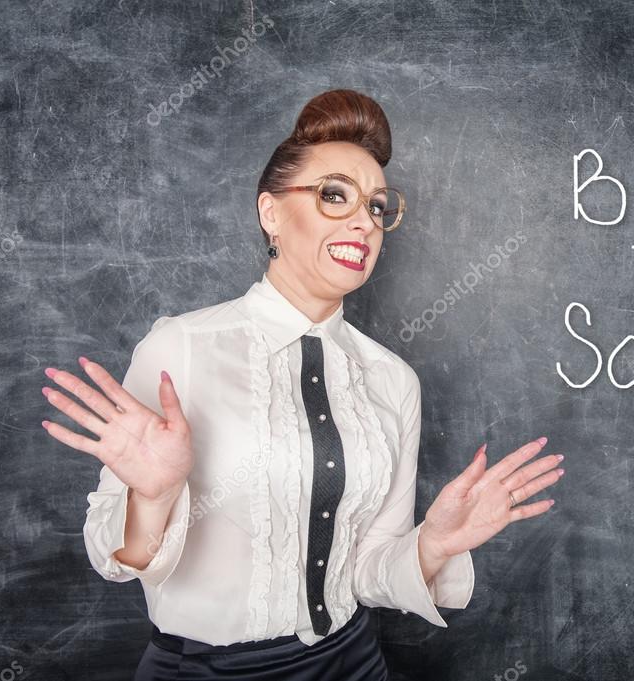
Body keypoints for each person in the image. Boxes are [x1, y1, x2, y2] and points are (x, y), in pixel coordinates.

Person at [40, 88, 565, 680]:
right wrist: (153, 496)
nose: (363, 222)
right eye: (333, 195)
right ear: (271, 213)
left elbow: (367, 570)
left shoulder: (394, 381)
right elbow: (115, 558)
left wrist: (435, 544)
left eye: (375, 206)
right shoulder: (180, 347)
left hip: (355, 662)